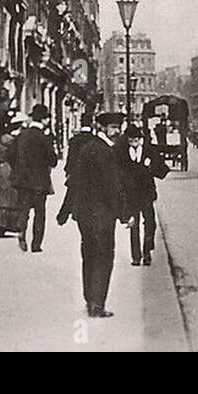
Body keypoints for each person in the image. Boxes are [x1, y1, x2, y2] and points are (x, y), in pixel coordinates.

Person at [64, 111, 129, 318]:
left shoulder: (85, 149)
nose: (116, 131)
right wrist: (125, 214)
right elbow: (113, 188)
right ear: (103, 129)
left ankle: (89, 297)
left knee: (89, 254)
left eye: (118, 127)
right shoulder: (107, 153)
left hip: (84, 213)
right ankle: (97, 304)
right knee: (104, 256)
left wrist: (68, 210)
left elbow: (74, 180)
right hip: (102, 214)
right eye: (112, 128)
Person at [120, 123, 170, 266]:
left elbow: (161, 168)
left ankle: (147, 250)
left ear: (140, 139)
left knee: (150, 223)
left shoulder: (149, 151)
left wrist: (151, 168)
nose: (134, 141)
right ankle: (136, 256)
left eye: (136, 139)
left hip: (146, 193)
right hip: (131, 194)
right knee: (133, 225)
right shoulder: (122, 153)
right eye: (131, 139)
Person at [10, 103, 57, 252]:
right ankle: (36, 245)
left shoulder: (21, 135)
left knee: (23, 208)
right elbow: (52, 160)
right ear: (44, 119)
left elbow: (10, 155)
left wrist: (18, 170)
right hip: (40, 180)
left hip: (22, 179)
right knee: (40, 212)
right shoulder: (44, 137)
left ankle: (21, 231)